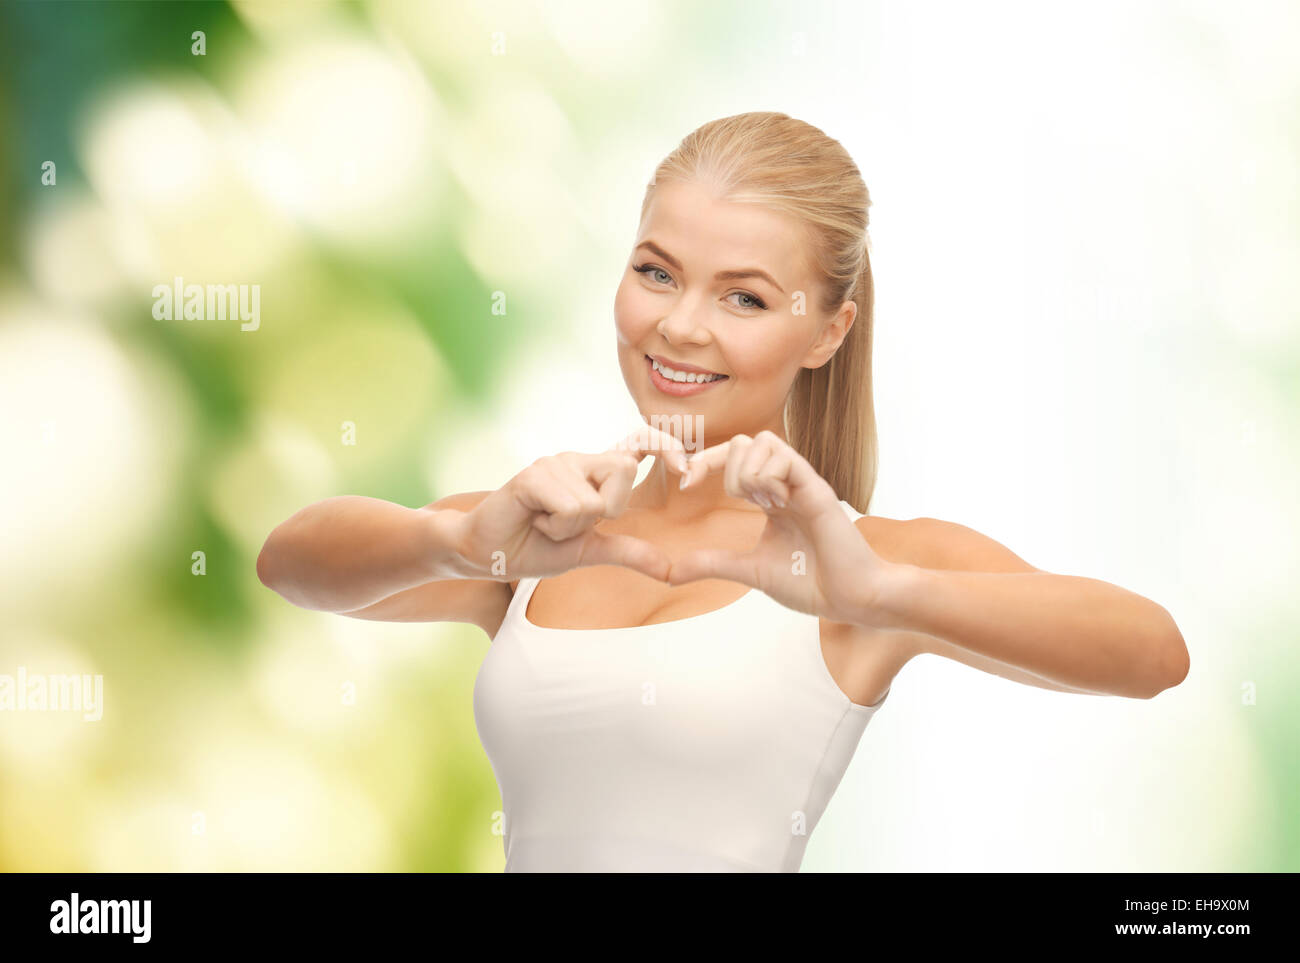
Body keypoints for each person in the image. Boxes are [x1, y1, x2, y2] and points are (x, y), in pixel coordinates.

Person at [257, 111, 1189, 872]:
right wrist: (461, 545)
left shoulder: (859, 565)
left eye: (742, 298)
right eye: (656, 272)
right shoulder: (542, 534)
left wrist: (878, 593)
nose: (679, 325)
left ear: (827, 332)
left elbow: (1153, 651)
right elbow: (291, 561)